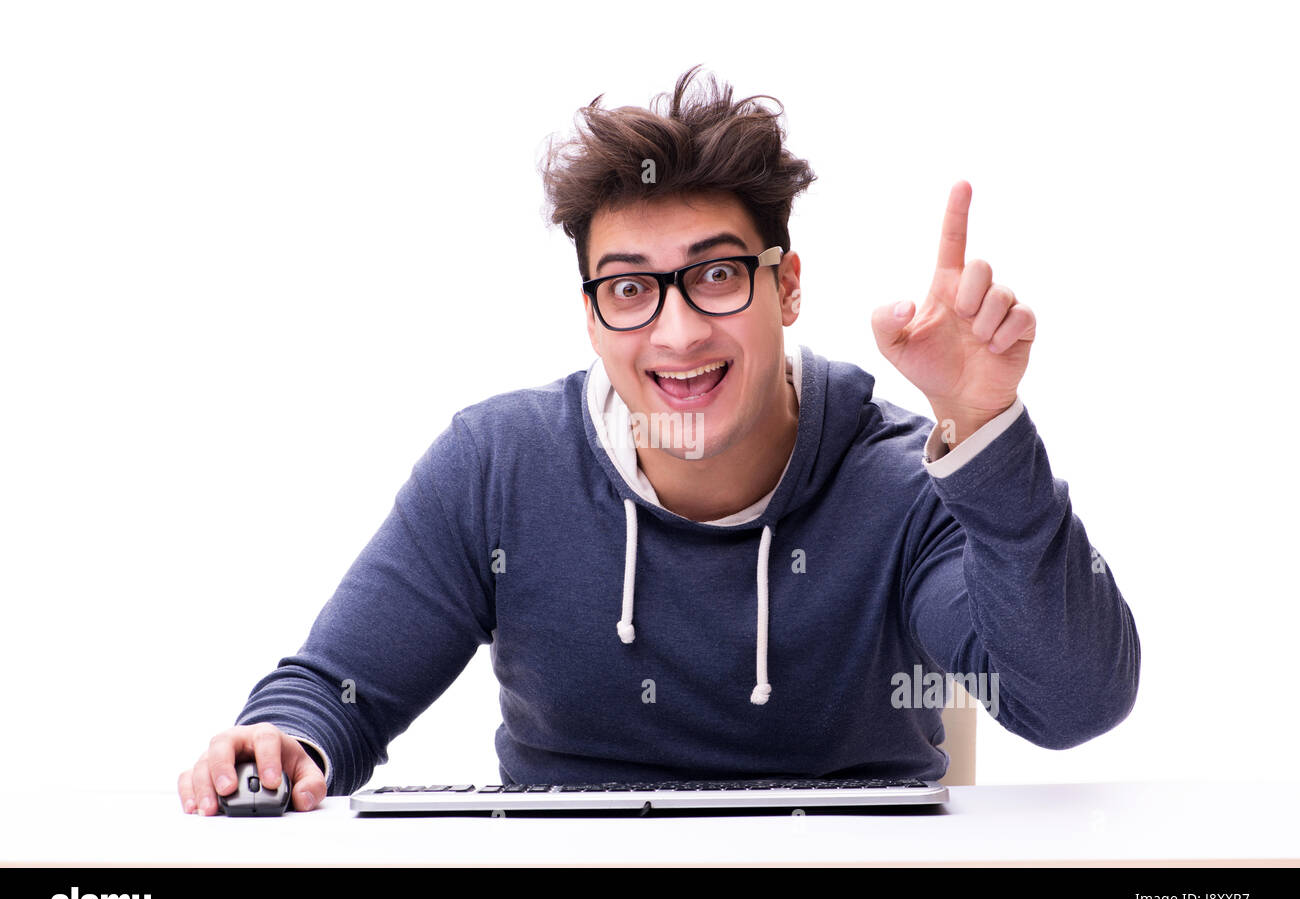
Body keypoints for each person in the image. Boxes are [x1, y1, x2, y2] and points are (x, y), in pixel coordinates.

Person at [178, 65, 1140, 815]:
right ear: (592, 316)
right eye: (631, 288)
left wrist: (987, 433)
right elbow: (336, 695)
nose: (677, 333)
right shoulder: (497, 468)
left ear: (786, 285)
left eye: (717, 275)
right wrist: (282, 744)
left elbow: (1069, 703)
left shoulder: (904, 483)